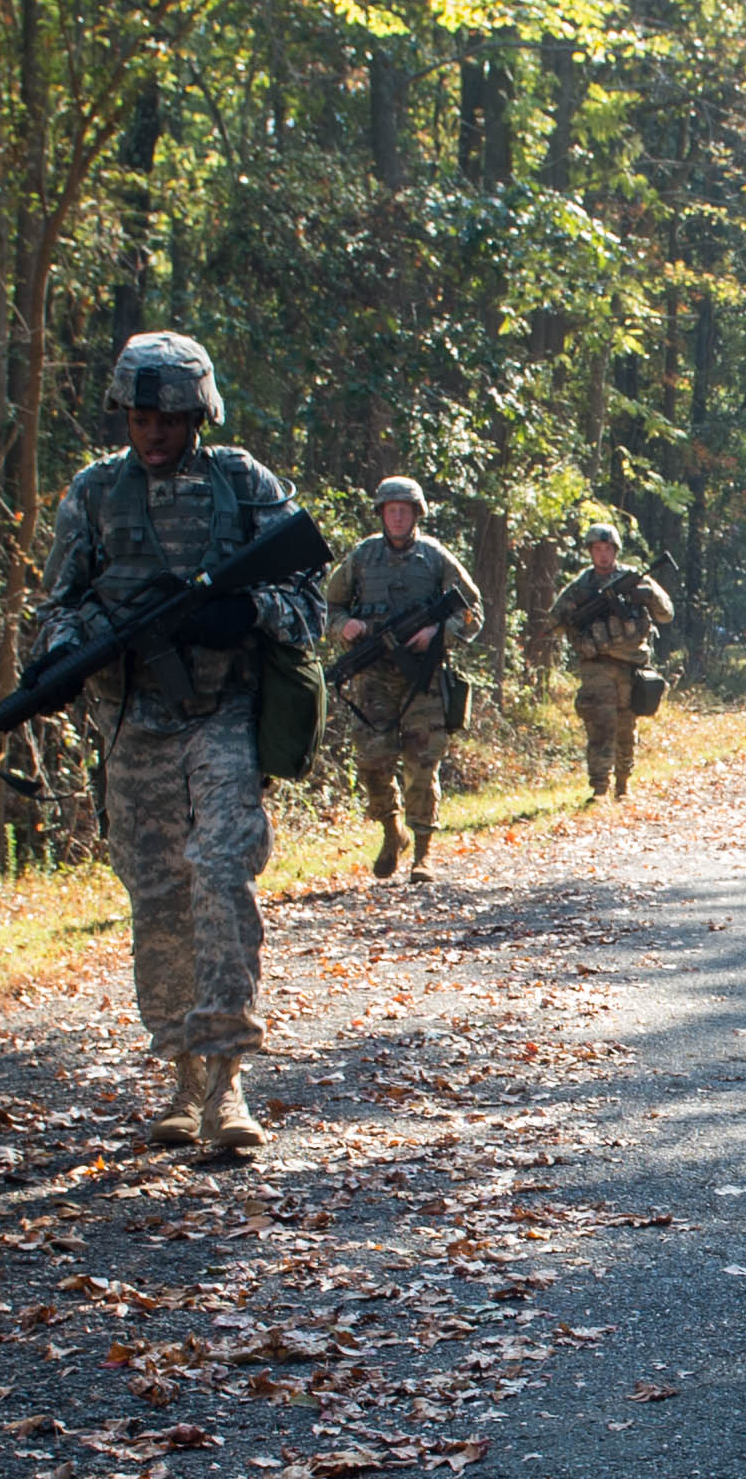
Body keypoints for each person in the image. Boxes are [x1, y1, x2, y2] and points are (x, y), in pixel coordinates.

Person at [30, 332, 325, 1152]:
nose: (152, 430)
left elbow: (311, 603)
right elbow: (56, 604)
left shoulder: (241, 484)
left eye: (168, 415)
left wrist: (249, 611)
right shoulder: (94, 494)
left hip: (222, 713)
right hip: (133, 723)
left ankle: (228, 1083)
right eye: (139, 415)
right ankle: (179, 1075)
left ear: (198, 413)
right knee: (156, 894)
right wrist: (62, 655)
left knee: (221, 872)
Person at [323, 476, 481, 877]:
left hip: (423, 679)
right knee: (373, 762)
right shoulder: (362, 557)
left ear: (416, 514)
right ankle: (393, 831)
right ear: (381, 514)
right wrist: (345, 625)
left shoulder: (435, 558)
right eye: (390, 509)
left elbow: (472, 610)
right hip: (374, 678)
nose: (396, 516)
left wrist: (439, 632)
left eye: (403, 509)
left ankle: (423, 852)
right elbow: (328, 606)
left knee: (422, 763)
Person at [551, 523, 675, 797]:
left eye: (607, 549)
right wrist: (579, 621)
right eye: (597, 549)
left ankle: (623, 784)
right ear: (590, 552)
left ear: (615, 550)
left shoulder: (633, 578)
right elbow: (555, 622)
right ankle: (599, 788)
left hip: (632, 666)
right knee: (601, 724)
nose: (603, 555)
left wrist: (648, 595)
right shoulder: (581, 586)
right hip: (598, 665)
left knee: (626, 726)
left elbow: (666, 614)